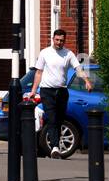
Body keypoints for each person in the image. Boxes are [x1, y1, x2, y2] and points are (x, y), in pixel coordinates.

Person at [31, 28, 93, 158]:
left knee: (59, 120)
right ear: (53, 39)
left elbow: (78, 69)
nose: (59, 42)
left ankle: (54, 146)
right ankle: (54, 147)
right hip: (47, 90)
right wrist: (33, 91)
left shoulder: (68, 54)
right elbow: (38, 72)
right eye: (57, 40)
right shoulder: (45, 53)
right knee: (52, 118)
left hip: (62, 91)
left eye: (62, 40)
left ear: (64, 41)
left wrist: (87, 81)